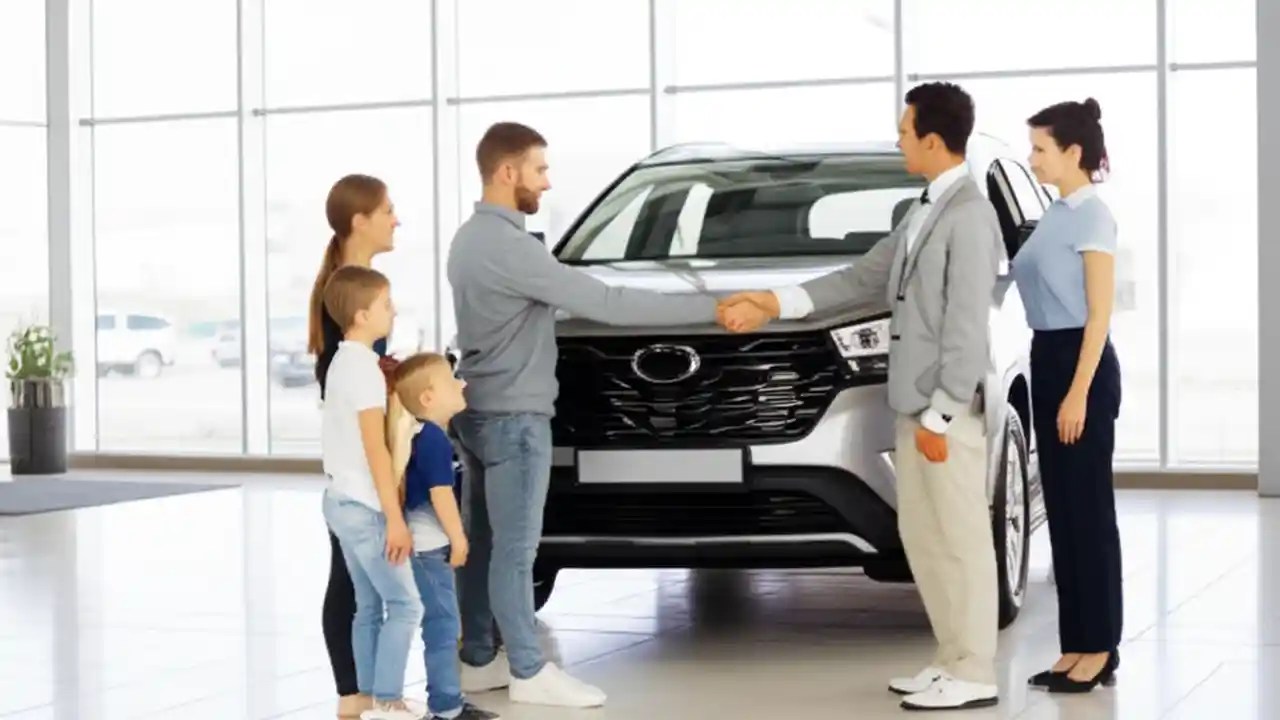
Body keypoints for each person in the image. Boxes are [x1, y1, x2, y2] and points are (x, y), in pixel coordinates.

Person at [718, 82, 1002, 712]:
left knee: (960, 541)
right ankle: (950, 658)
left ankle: (976, 670)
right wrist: (771, 302)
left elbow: (966, 326)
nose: (898, 140)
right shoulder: (921, 211)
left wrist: (942, 412)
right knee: (925, 540)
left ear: (933, 138)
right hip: (911, 407)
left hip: (942, 413)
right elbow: (859, 279)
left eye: (904, 131)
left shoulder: (970, 216)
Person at [447, 121, 720, 708]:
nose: (546, 183)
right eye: (539, 169)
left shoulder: (467, 240)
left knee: (485, 542)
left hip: (477, 411)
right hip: (516, 419)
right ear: (507, 172)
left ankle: (477, 659)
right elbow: (605, 301)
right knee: (517, 551)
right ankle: (526, 667)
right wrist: (714, 307)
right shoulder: (510, 246)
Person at [1015, 98, 1123, 694]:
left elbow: (1099, 315)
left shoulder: (1091, 216)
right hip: (1047, 359)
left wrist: (1078, 393)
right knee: (1062, 508)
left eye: (1039, 149)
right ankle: (1075, 644)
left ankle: (1100, 647)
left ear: (1073, 153)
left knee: (1090, 512)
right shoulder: (1055, 214)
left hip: (1080, 365)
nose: (1032, 159)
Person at [308, 174, 401, 719]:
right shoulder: (349, 291)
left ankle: (357, 689)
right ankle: (352, 691)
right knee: (349, 573)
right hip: (354, 469)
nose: (396, 219)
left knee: (353, 575)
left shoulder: (356, 282)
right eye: (387, 210)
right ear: (359, 220)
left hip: (349, 465)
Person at [320, 265, 423, 720]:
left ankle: (363, 697)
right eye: (385, 304)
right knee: (405, 603)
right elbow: (375, 450)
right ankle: (387, 700)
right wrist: (394, 518)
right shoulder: (362, 369)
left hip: (338, 500)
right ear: (362, 315)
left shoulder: (342, 361)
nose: (393, 310)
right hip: (364, 506)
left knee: (369, 605)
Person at [385, 353, 500, 720]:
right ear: (428, 398)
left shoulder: (425, 435)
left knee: (442, 623)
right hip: (428, 550)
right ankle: (447, 707)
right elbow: (441, 495)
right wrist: (459, 538)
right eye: (452, 381)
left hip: (424, 548)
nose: (461, 384)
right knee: (444, 625)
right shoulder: (432, 438)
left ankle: (446, 702)